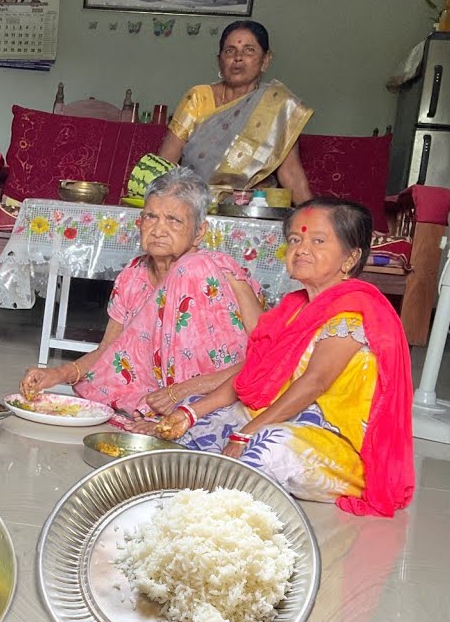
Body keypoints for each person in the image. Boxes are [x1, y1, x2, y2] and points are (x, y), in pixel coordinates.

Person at [148, 198, 414, 517]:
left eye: (318, 241)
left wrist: (245, 433)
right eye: (295, 239)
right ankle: (191, 492)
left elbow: (314, 382)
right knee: (199, 418)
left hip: (335, 441)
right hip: (290, 417)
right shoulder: (294, 309)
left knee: (265, 445)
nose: (302, 249)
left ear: (350, 258)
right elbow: (254, 374)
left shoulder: (351, 314)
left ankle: (214, 507)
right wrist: (190, 412)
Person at [19, 167, 263, 417]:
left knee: (191, 267)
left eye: (174, 220)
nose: (158, 230)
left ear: (199, 232)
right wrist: (57, 374)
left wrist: (180, 393)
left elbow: (266, 355)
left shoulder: (218, 270)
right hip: (157, 392)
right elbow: (108, 351)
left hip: (220, 391)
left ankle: (183, 410)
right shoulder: (133, 275)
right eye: (150, 217)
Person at [157, 20, 313, 205]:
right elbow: (165, 163)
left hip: (249, 208)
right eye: (230, 51)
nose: (238, 58)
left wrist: (316, 215)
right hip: (193, 204)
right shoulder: (198, 98)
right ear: (219, 60)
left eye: (249, 50)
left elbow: (291, 173)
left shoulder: (278, 105)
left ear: (265, 60)